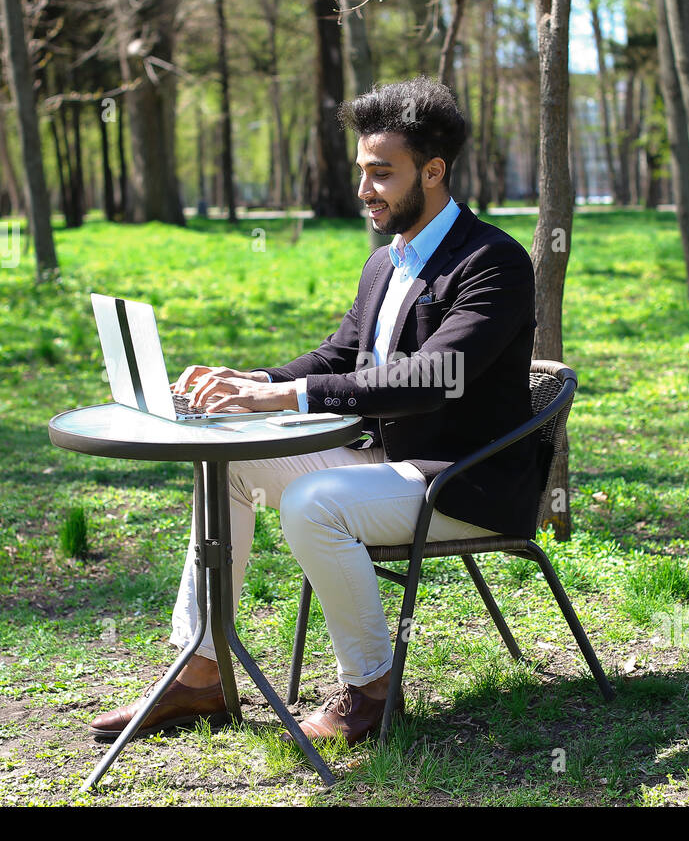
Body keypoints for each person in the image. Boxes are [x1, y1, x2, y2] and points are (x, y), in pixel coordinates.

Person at [88, 77, 547, 747]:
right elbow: (339, 356)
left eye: (382, 174)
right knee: (227, 462)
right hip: (389, 462)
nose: (366, 189)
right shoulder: (386, 263)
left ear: (434, 170)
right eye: (363, 172)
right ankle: (202, 676)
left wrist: (286, 398)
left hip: (463, 480)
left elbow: (430, 378)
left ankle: (372, 694)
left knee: (313, 501)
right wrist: (254, 382)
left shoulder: (492, 262)